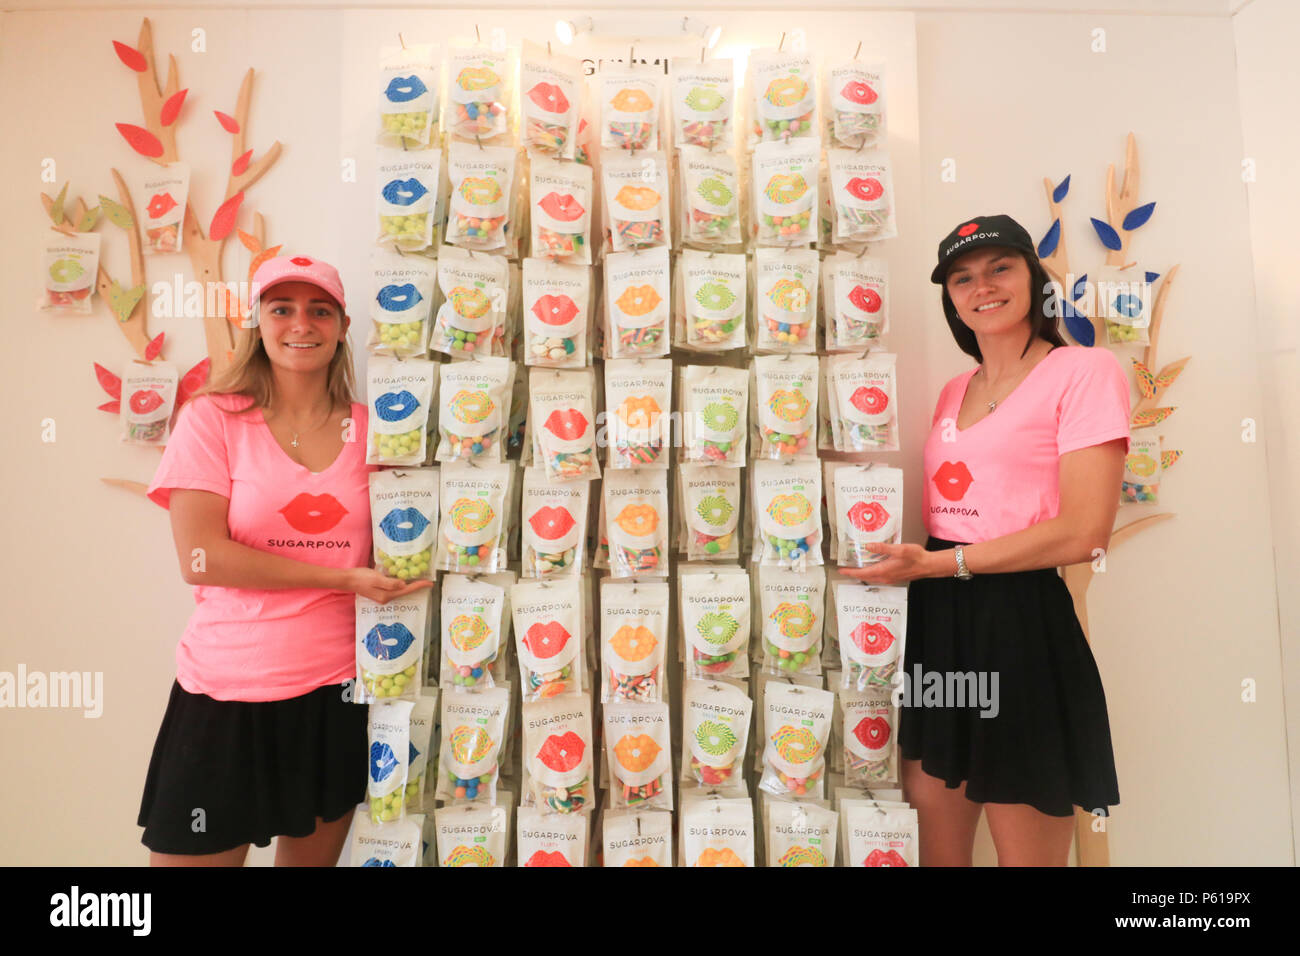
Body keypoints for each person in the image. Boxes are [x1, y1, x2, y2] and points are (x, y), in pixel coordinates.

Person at [843, 214, 1130, 866]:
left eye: (1001, 267)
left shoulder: (1084, 371)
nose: (983, 287)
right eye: (963, 277)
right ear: (950, 296)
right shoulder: (954, 389)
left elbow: (1085, 533)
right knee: (933, 814)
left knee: (1023, 834)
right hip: (938, 621)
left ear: (1034, 276)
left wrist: (944, 565)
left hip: (1019, 624)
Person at [138, 255, 431, 866]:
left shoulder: (374, 431)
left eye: (319, 310)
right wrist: (340, 578)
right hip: (224, 694)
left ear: (343, 325)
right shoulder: (212, 420)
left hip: (335, 693)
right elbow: (201, 557)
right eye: (282, 309)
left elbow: (400, 541)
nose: (302, 324)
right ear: (258, 321)